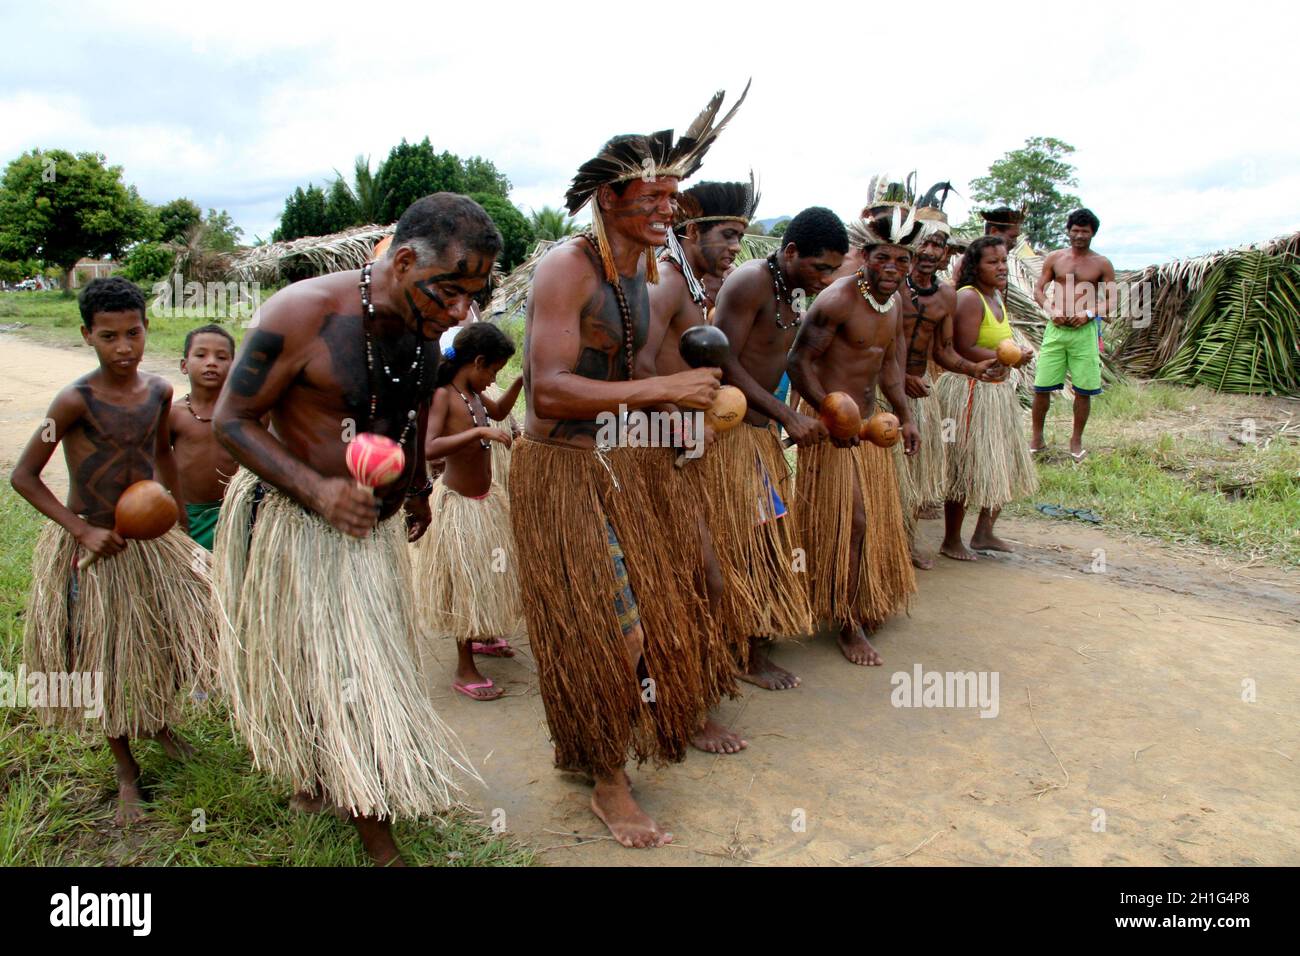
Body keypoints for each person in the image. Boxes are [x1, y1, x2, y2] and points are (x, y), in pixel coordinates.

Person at [211, 193, 495, 865]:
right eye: (451, 293)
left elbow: (413, 410)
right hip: (307, 528)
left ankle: (318, 775)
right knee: (356, 681)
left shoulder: (429, 330)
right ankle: (378, 837)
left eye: (474, 296)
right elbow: (232, 420)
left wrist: (418, 487)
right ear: (402, 262)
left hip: (376, 530)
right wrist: (316, 489)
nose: (462, 312)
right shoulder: (301, 314)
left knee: (340, 665)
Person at [510, 85, 746, 848]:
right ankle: (608, 782)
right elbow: (548, 392)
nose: (667, 210)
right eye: (651, 197)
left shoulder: (644, 281)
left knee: (646, 615)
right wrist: (665, 388)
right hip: (560, 473)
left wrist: (681, 417)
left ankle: (585, 745)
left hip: (620, 469)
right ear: (607, 199)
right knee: (606, 633)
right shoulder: (565, 270)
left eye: (673, 198)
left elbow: (627, 384)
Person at [12, 277, 213, 825]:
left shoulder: (159, 393)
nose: (123, 347)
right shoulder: (73, 400)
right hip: (93, 547)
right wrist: (81, 530)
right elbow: (24, 476)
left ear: (148, 330)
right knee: (105, 660)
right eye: (109, 337)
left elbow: (162, 458)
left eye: (133, 333)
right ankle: (126, 770)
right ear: (86, 335)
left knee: (154, 643)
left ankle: (159, 725)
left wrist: (176, 519)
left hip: (148, 545)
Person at [705, 206, 848, 689]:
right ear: (790, 252)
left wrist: (811, 410)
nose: (828, 278)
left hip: (761, 436)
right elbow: (720, 362)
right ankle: (742, 649)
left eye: (834, 268)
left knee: (764, 535)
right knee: (748, 541)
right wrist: (786, 414)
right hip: (731, 438)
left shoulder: (791, 289)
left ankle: (751, 636)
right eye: (821, 267)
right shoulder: (750, 283)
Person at [787, 203, 922, 667]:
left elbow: (890, 368)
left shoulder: (895, 302)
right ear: (865, 256)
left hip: (869, 426)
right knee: (853, 520)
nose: (892, 268)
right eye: (883, 257)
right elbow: (798, 363)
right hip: (832, 425)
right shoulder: (837, 300)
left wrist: (906, 416)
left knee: (871, 520)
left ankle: (856, 598)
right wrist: (830, 416)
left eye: (901, 260)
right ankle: (846, 621)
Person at [413, 323, 521, 700]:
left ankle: (484, 635)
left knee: (488, 574)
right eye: (492, 370)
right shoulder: (445, 395)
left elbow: (503, 409)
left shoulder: (474, 394)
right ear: (476, 362)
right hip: (458, 506)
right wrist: (478, 434)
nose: (493, 378)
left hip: (484, 502)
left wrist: (522, 379)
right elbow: (428, 447)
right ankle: (464, 668)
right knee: (466, 585)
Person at [891, 205, 999, 569]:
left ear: (946, 253)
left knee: (914, 478)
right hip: (884, 391)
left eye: (939, 245)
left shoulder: (946, 296)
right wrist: (898, 377)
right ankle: (890, 544)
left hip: (920, 393)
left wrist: (974, 368)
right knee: (891, 478)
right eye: (924, 243)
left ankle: (905, 543)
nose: (930, 252)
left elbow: (945, 350)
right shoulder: (891, 290)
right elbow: (876, 346)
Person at [935, 236, 1038, 561]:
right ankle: (952, 539)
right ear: (974, 267)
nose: (1001, 267)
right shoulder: (969, 298)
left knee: (1003, 461)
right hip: (970, 390)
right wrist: (1010, 357)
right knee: (966, 465)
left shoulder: (995, 295)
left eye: (1003, 261)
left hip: (996, 393)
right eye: (992, 262)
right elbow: (962, 348)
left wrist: (1016, 355)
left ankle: (983, 533)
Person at [1031, 207, 1114, 461]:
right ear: (1068, 231)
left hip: (1084, 332)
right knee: (1041, 386)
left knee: (1084, 389)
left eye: (1084, 232)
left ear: (1093, 234)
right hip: (1056, 329)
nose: (1079, 236)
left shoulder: (1101, 263)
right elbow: (1039, 290)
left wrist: (1088, 313)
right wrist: (1051, 310)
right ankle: (1037, 437)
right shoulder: (1055, 258)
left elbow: (1111, 301)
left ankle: (1076, 440)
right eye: (1075, 231)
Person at [168, 324, 238, 550]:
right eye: (201, 355)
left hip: (236, 512)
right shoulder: (173, 415)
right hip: (190, 514)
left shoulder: (244, 415)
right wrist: (171, 508)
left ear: (234, 365)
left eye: (221, 357)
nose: (211, 362)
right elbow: (158, 460)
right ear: (184, 365)